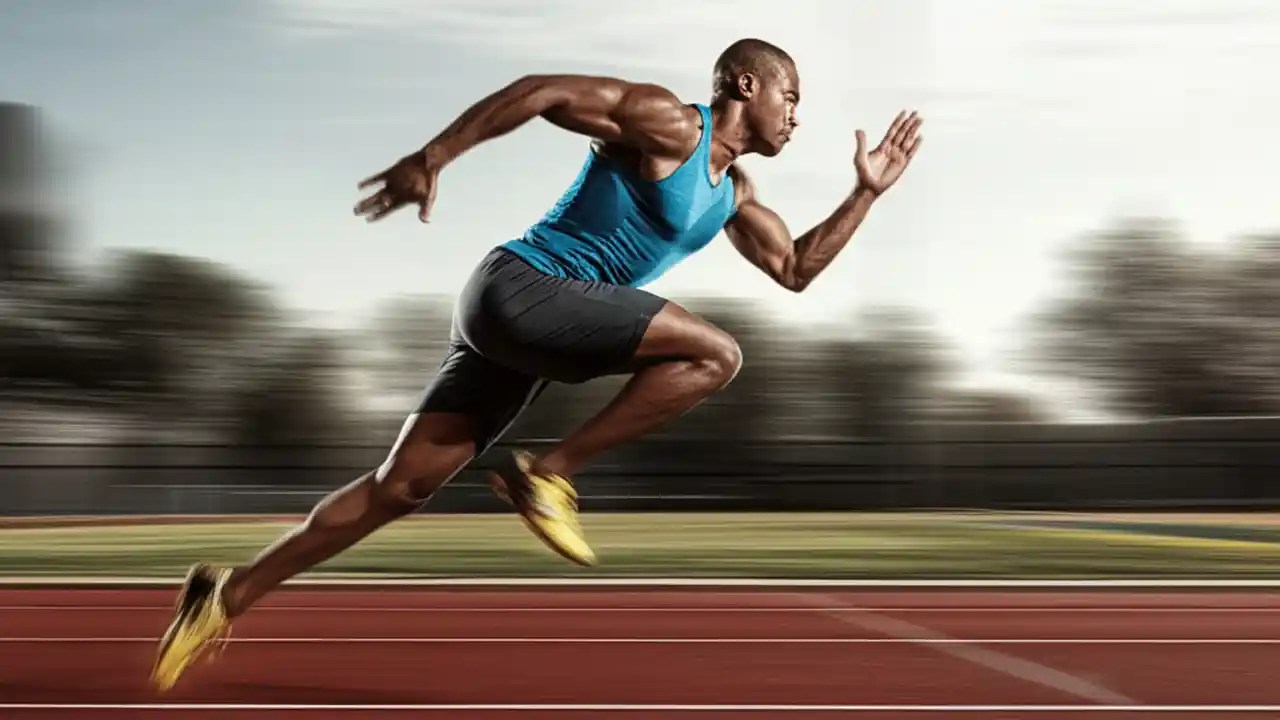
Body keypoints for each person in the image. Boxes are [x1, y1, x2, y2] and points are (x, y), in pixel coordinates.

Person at [149, 37, 923, 692]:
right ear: (745, 86)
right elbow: (542, 91)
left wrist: (866, 194)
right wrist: (435, 156)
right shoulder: (667, 124)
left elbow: (793, 267)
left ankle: (223, 595)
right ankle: (549, 473)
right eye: (792, 95)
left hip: (520, 330)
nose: (798, 114)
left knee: (403, 487)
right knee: (716, 354)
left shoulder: (734, 195)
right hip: (521, 288)